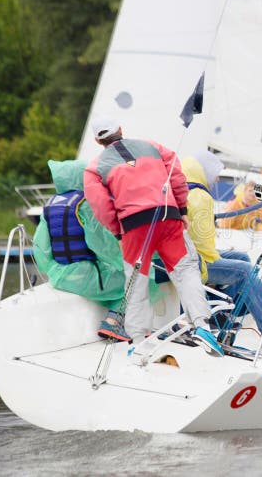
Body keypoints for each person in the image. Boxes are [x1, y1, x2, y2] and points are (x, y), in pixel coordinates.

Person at [82, 118, 222, 355]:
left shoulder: (93, 169)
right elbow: (176, 174)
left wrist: (118, 230)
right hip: (168, 215)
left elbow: (101, 205)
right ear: (121, 130)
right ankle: (202, 326)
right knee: (186, 270)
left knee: (136, 283)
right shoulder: (154, 147)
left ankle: (138, 342)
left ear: (97, 140)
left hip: (134, 226)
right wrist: (183, 209)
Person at [182, 151, 262, 350]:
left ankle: (222, 315)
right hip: (193, 261)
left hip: (187, 255)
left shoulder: (185, 190)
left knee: (241, 257)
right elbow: (203, 243)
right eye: (215, 173)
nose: (217, 178)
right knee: (245, 270)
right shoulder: (200, 196)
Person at [33, 159, 153, 342]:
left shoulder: (50, 205)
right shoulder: (84, 204)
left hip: (58, 276)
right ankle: (113, 322)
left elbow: (40, 247)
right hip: (86, 276)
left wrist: (49, 269)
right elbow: (102, 245)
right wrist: (125, 261)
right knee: (136, 280)